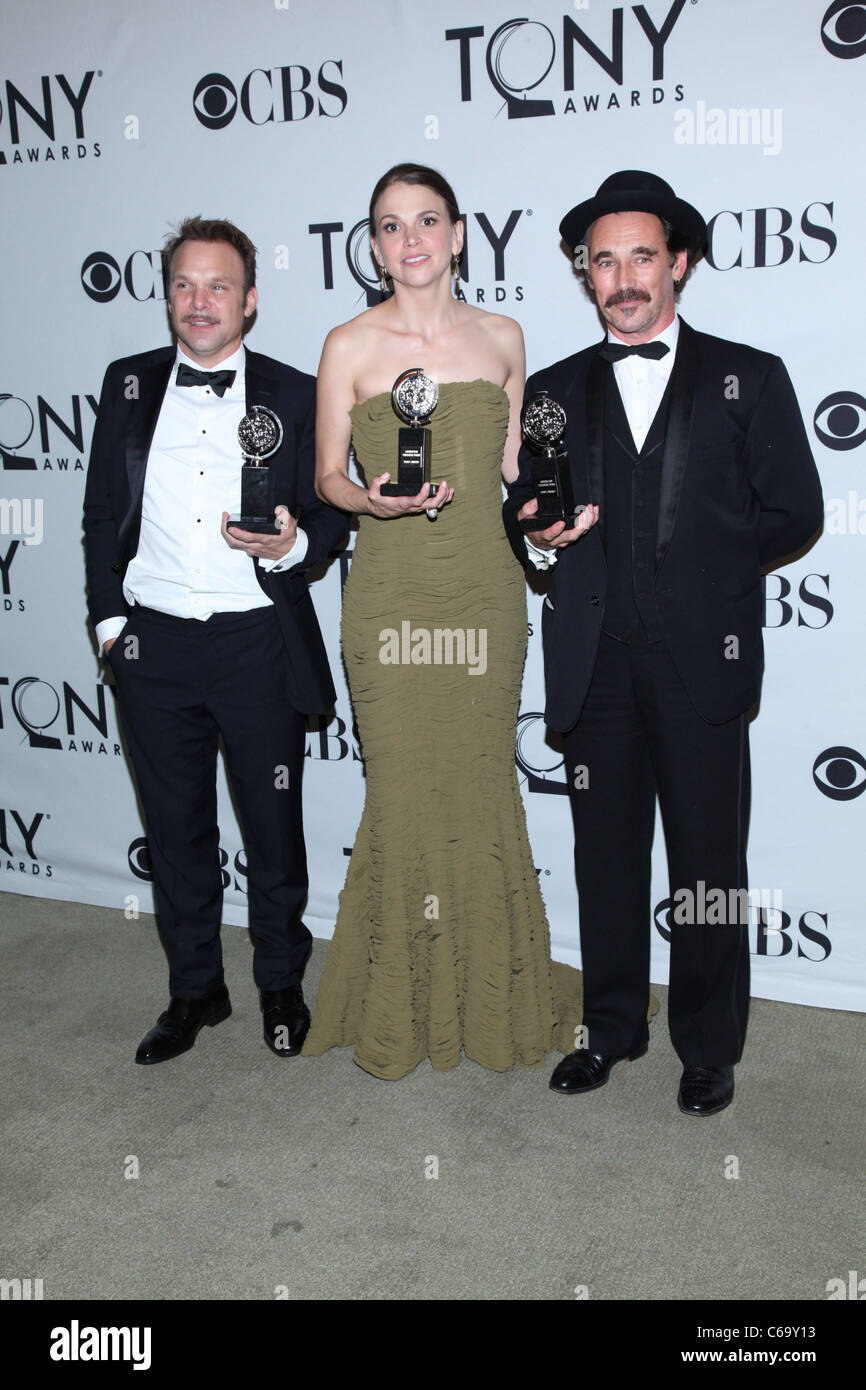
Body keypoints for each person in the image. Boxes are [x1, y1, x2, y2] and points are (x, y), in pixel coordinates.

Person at [503, 171, 823, 1116]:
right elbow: (519, 516)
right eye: (604, 260)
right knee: (604, 853)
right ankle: (609, 1027)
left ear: (678, 263)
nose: (625, 276)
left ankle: (709, 1046)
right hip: (595, 666)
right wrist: (538, 539)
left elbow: (796, 510)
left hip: (701, 665)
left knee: (708, 865)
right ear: (587, 276)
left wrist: (712, 581)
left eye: (642, 255)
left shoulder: (747, 375)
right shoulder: (554, 390)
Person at [303, 163, 592, 1080]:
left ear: (460, 233)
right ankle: (403, 1001)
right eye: (390, 225)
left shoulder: (503, 336)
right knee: (400, 792)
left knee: (475, 789)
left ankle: (490, 998)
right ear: (376, 244)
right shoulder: (347, 344)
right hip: (389, 595)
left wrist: (548, 514)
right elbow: (326, 480)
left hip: (484, 591)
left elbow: (514, 468)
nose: (411, 239)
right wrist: (373, 503)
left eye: (427, 220)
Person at [83, 216, 348, 1065]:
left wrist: (294, 547)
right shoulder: (127, 384)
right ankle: (196, 992)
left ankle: (280, 985)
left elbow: (332, 512)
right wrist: (111, 629)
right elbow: (98, 519)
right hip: (153, 648)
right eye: (185, 286)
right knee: (176, 832)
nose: (201, 303)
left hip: (256, 644)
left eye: (219, 285)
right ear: (168, 296)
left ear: (251, 300)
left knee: (273, 829)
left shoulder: (295, 391)